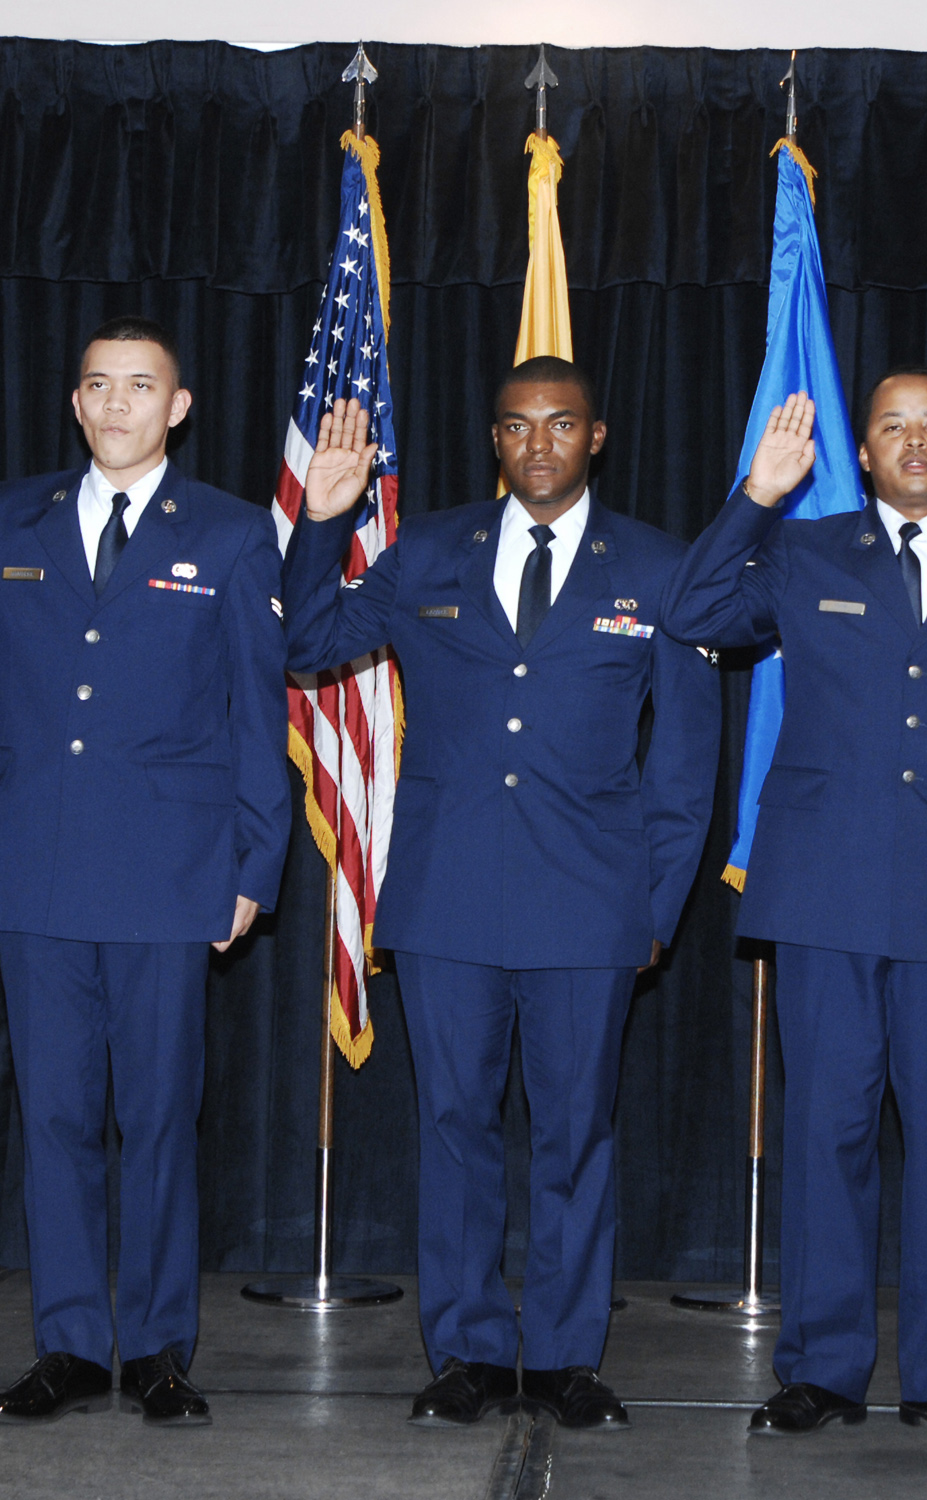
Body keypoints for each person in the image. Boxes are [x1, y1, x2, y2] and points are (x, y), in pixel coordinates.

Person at [0, 325, 290, 1427]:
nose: (118, 403)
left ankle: (162, 1352)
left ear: (177, 408)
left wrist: (254, 862)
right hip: (33, 868)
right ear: (74, 403)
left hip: (167, 872)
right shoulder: (7, 516)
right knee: (53, 1120)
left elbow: (257, 710)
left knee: (157, 1117)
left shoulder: (230, 534)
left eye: (141, 386)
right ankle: (73, 1346)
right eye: (98, 386)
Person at [284, 357, 720, 1432]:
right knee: (456, 1127)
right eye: (518, 426)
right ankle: (470, 1349)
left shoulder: (661, 568)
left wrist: (653, 908)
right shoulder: (427, 549)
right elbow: (306, 646)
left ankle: (570, 1356)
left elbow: (686, 766)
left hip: (590, 903)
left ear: (597, 436)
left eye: (560, 424)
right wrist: (321, 526)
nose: (539, 444)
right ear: (494, 440)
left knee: (578, 1134)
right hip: (449, 897)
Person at [660, 370, 927, 1441]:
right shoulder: (806, 553)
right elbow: (694, 610)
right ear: (863, 451)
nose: (911, 440)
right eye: (892, 424)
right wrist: (756, 494)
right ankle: (824, 1370)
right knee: (829, 1134)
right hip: (824, 900)